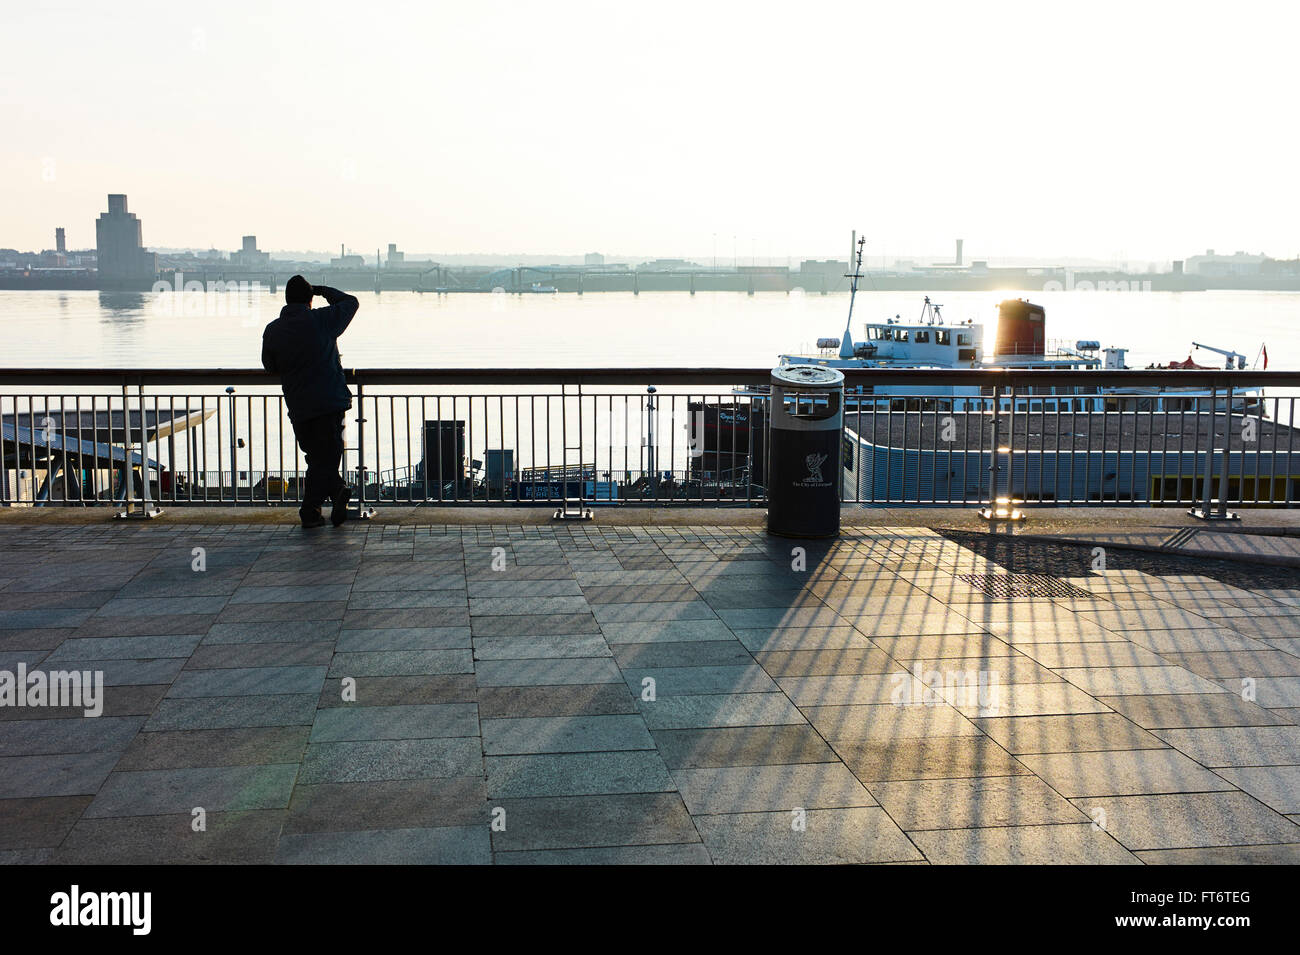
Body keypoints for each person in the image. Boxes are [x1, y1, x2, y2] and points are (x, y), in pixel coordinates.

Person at [261, 275, 359, 528]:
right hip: (329, 401)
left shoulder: (273, 330)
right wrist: (324, 289)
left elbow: (269, 366)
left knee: (317, 458)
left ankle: (320, 506)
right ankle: (317, 506)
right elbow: (351, 302)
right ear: (310, 300)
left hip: (299, 404)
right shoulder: (322, 320)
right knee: (325, 459)